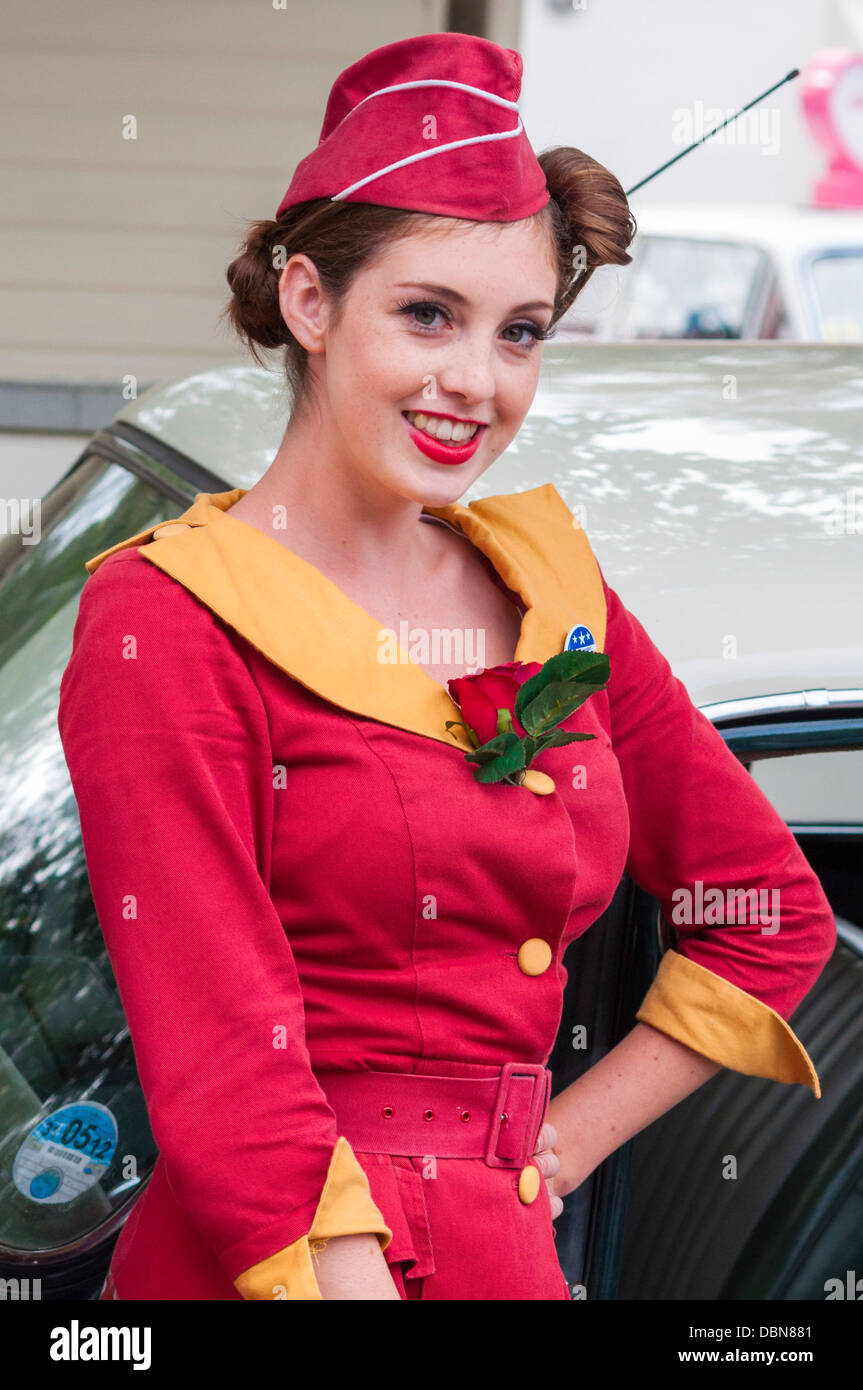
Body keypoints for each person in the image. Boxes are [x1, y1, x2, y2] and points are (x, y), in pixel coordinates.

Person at [57, 32, 836, 1302]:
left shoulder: (551, 591)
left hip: (502, 1256)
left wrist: (550, 1147)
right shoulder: (167, 616)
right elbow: (230, 1072)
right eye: (427, 315)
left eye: (518, 331)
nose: (473, 382)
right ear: (308, 302)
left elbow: (763, 910)